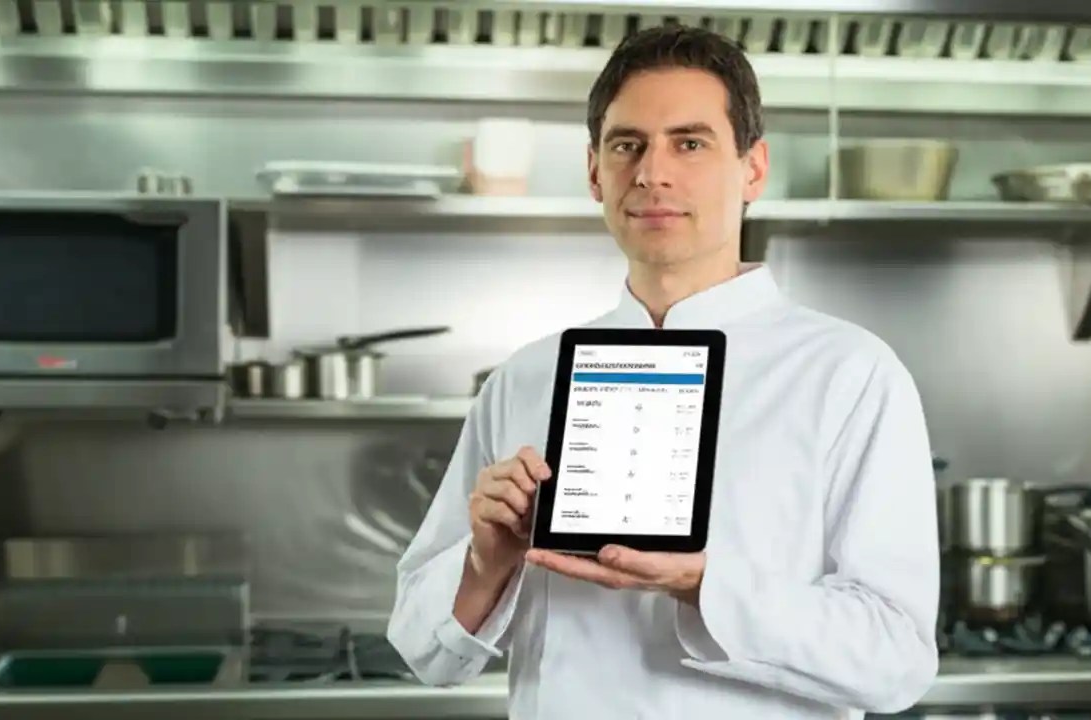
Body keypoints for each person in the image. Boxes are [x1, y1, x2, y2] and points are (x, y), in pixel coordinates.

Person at [387, 23, 939, 720]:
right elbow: (420, 648)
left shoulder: (850, 374)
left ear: (754, 168)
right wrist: (485, 558)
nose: (653, 172)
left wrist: (705, 584)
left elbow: (896, 660)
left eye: (690, 142)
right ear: (595, 171)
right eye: (627, 145)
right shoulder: (527, 378)